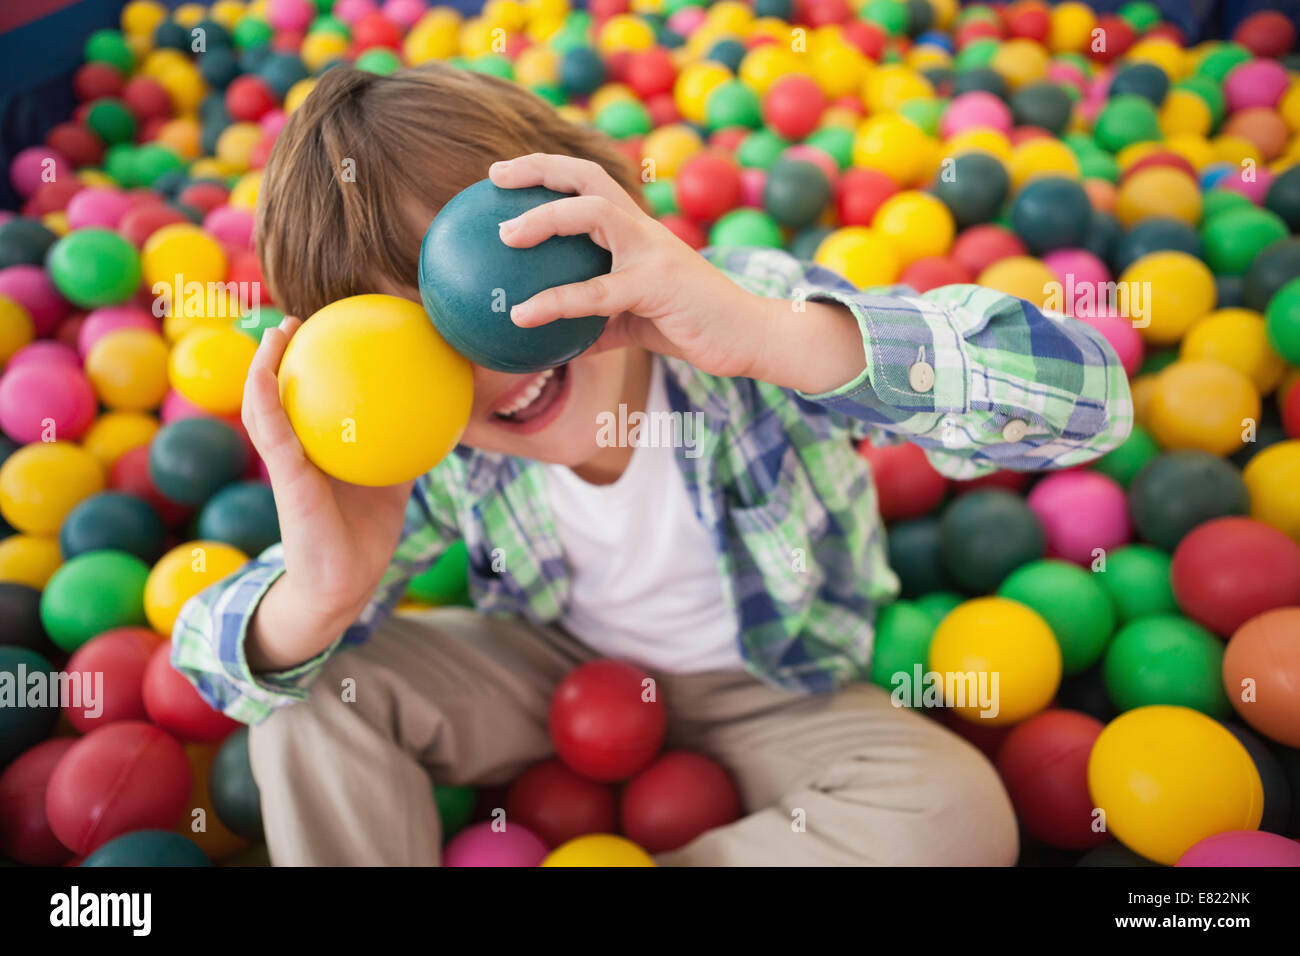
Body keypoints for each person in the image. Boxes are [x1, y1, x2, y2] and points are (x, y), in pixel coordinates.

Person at [173, 63, 1133, 866]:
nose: (493, 364)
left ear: (603, 205)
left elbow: (1089, 402)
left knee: (952, 813)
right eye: (421, 347)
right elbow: (208, 670)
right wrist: (319, 597)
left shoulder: (745, 311)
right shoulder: (427, 455)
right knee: (309, 695)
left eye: (501, 284)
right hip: (556, 673)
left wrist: (777, 340)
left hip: (777, 684)